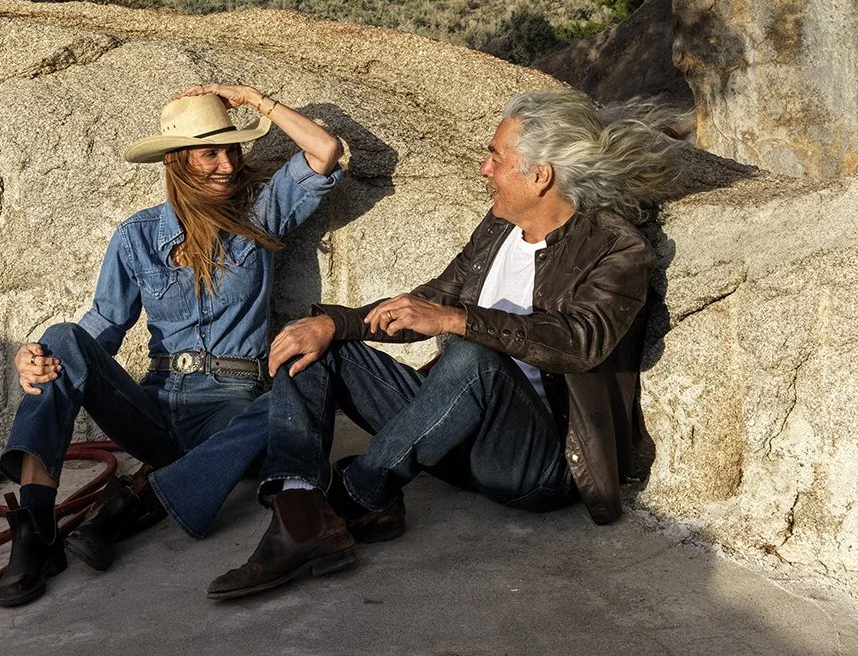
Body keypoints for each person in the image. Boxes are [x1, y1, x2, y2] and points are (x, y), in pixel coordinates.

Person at [207, 87, 681, 601]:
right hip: (450, 429)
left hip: (536, 462)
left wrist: (460, 320)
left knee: (474, 355)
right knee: (313, 344)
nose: (484, 169)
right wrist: (337, 324)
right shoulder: (500, 227)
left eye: (496, 158)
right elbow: (431, 302)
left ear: (540, 175)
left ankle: (360, 493)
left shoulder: (616, 248)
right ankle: (298, 513)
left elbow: (582, 342)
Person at [0, 83, 343, 607]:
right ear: (179, 161)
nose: (227, 164)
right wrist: (41, 358)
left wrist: (254, 99)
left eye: (233, 149)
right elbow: (101, 330)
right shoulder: (135, 237)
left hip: (232, 404)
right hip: (156, 407)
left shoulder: (259, 216)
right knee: (59, 338)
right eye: (210, 152)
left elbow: (324, 151)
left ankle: (145, 496)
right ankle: (36, 528)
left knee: (296, 395)